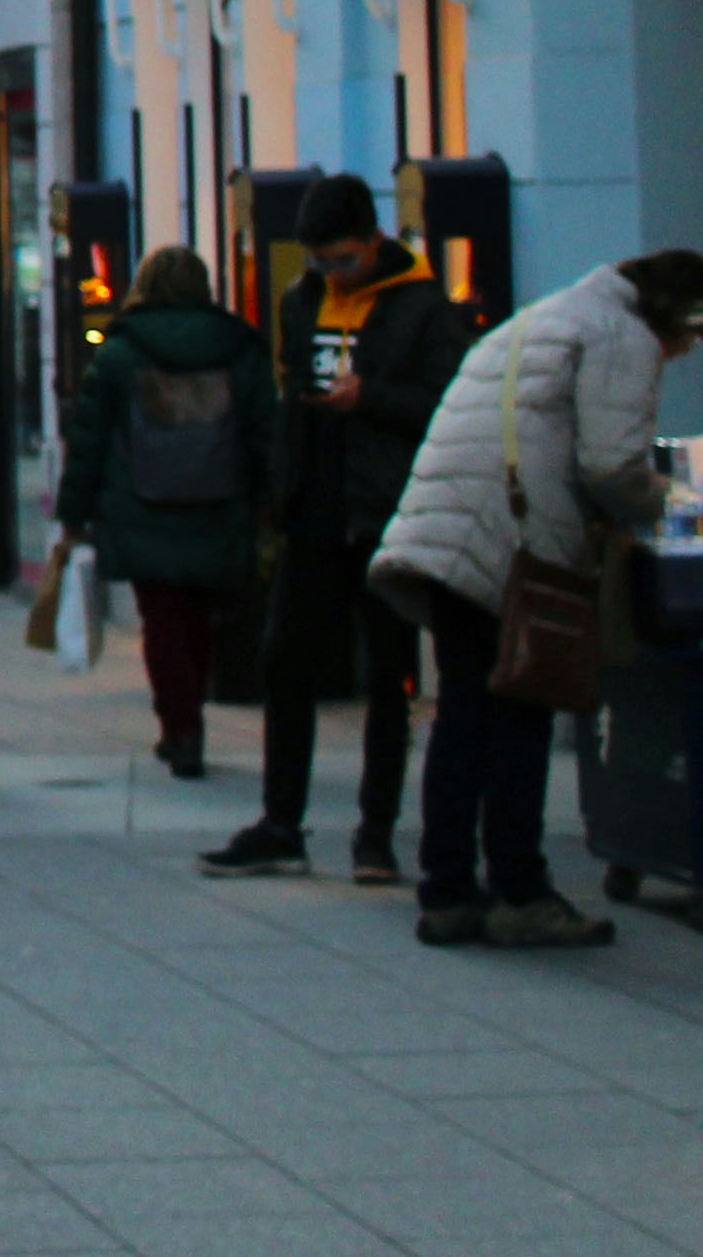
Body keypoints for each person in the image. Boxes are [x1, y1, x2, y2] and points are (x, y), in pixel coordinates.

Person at [373, 249, 703, 948]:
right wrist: (684, 503)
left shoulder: (549, 315)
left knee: (465, 716)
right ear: (673, 320)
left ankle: (447, 890)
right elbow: (612, 464)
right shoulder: (622, 336)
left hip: (451, 535)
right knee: (521, 712)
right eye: (693, 336)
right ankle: (519, 889)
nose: (685, 353)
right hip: (508, 546)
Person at [204, 175, 464, 882]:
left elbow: (443, 401)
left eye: (344, 258)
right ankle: (280, 821)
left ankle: (374, 832)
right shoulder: (304, 300)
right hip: (314, 509)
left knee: (388, 673)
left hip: (382, 513)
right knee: (285, 662)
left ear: (375, 241)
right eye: (321, 260)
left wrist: (369, 397)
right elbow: (291, 390)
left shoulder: (419, 306)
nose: (332, 272)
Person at [54, 245, 277, 780]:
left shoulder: (120, 351)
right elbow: (264, 432)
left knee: (162, 619)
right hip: (219, 502)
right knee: (199, 616)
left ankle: (179, 727)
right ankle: (190, 717)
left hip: (142, 503)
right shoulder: (238, 347)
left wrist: (74, 511)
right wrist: (270, 502)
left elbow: (88, 438)